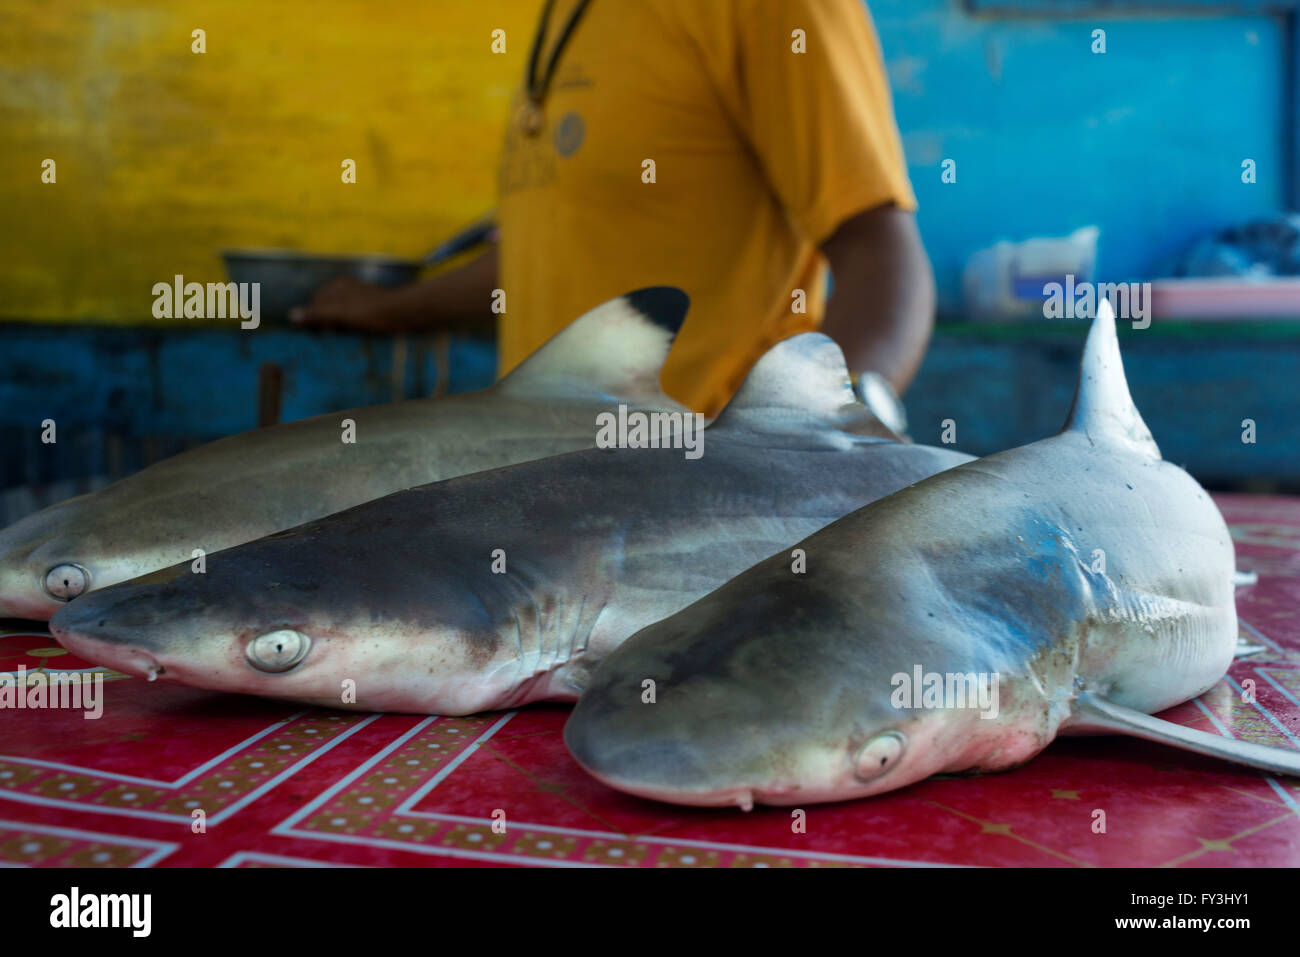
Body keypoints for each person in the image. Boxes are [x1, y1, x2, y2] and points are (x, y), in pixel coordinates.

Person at [291, 0, 933, 422]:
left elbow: (878, 245)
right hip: (560, 506)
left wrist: (835, 431)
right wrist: (388, 308)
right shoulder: (572, 15)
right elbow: (552, 250)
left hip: (703, 515)